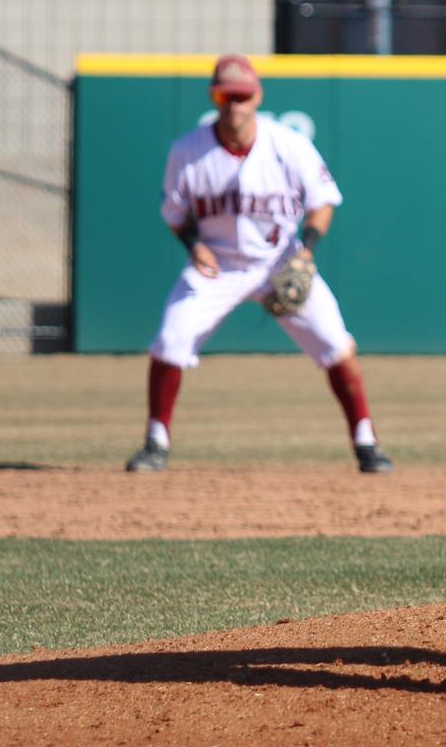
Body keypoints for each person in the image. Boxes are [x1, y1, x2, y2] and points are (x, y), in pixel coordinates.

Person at [126, 53, 391, 475]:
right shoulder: (187, 151)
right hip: (219, 265)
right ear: (214, 97)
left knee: (337, 344)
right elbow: (176, 216)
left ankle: (367, 442)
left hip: (279, 261)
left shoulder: (289, 144)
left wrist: (306, 252)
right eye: (225, 95)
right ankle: (156, 441)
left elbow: (323, 202)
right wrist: (194, 245)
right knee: (170, 340)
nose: (234, 104)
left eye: (242, 95)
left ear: (257, 96)